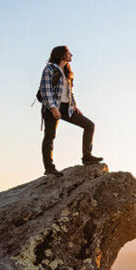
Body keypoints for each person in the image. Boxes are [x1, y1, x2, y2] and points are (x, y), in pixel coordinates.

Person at [39, 45, 103, 176]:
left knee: (89, 125)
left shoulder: (67, 72)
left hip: (66, 107)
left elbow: (69, 92)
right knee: (50, 135)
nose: (71, 55)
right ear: (61, 54)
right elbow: (46, 90)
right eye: (68, 52)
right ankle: (49, 167)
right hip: (51, 107)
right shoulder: (49, 69)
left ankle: (87, 157)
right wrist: (53, 108)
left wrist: (73, 105)